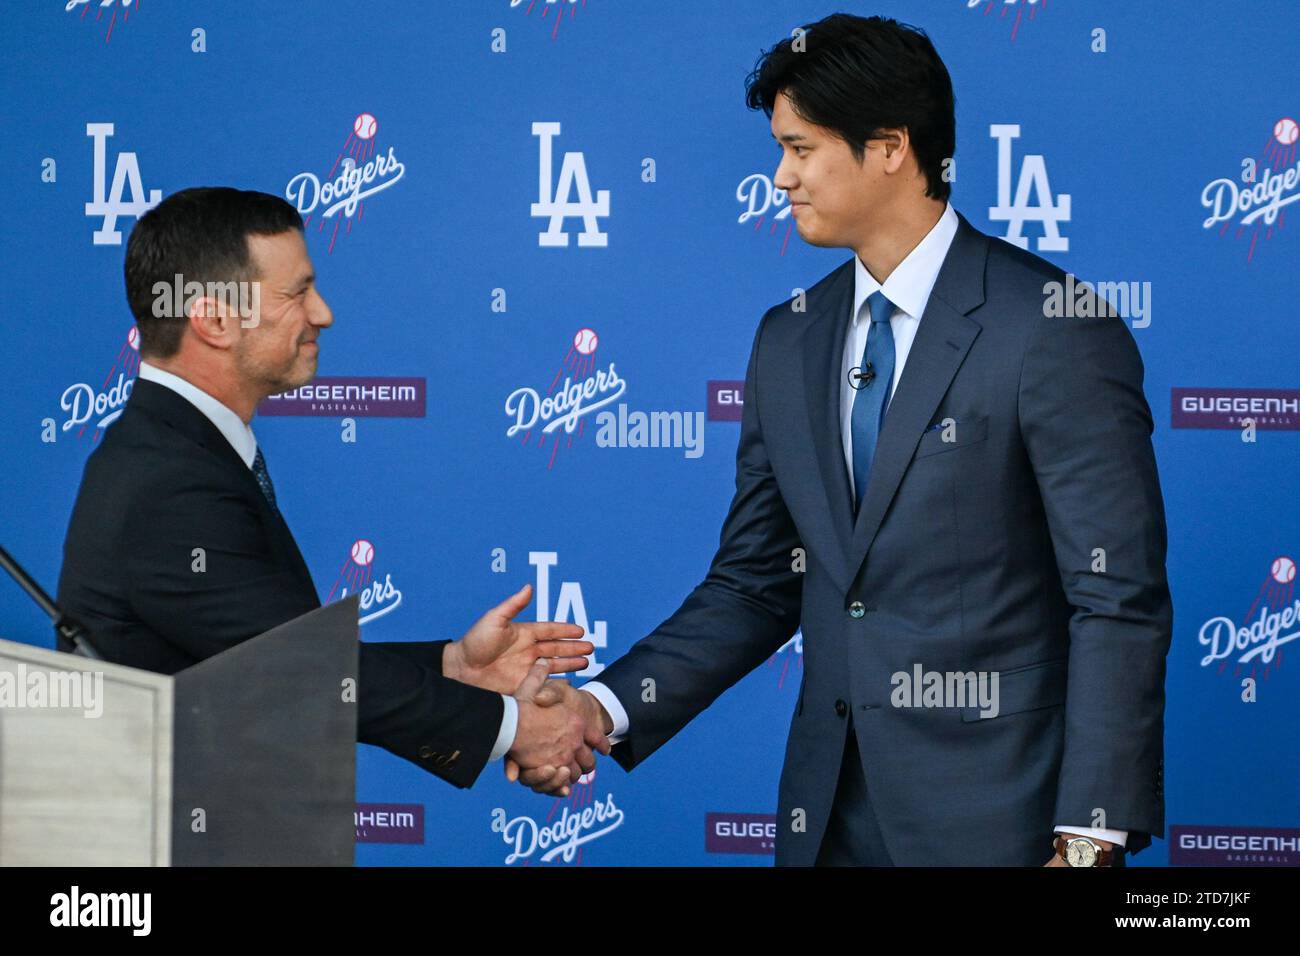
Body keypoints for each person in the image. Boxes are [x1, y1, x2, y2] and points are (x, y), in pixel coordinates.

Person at [508, 14, 1172, 866]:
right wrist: (601, 708)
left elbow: (1115, 597)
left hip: (1005, 825)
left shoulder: (1051, 326)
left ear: (891, 146)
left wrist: (1089, 838)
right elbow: (755, 584)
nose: (780, 176)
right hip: (824, 825)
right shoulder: (790, 339)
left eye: (801, 147)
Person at [57, 187, 607, 790]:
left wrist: (453, 665)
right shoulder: (168, 479)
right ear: (214, 319)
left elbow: (275, 657)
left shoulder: (178, 452)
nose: (323, 313)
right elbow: (298, 671)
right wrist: (514, 727)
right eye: (296, 293)